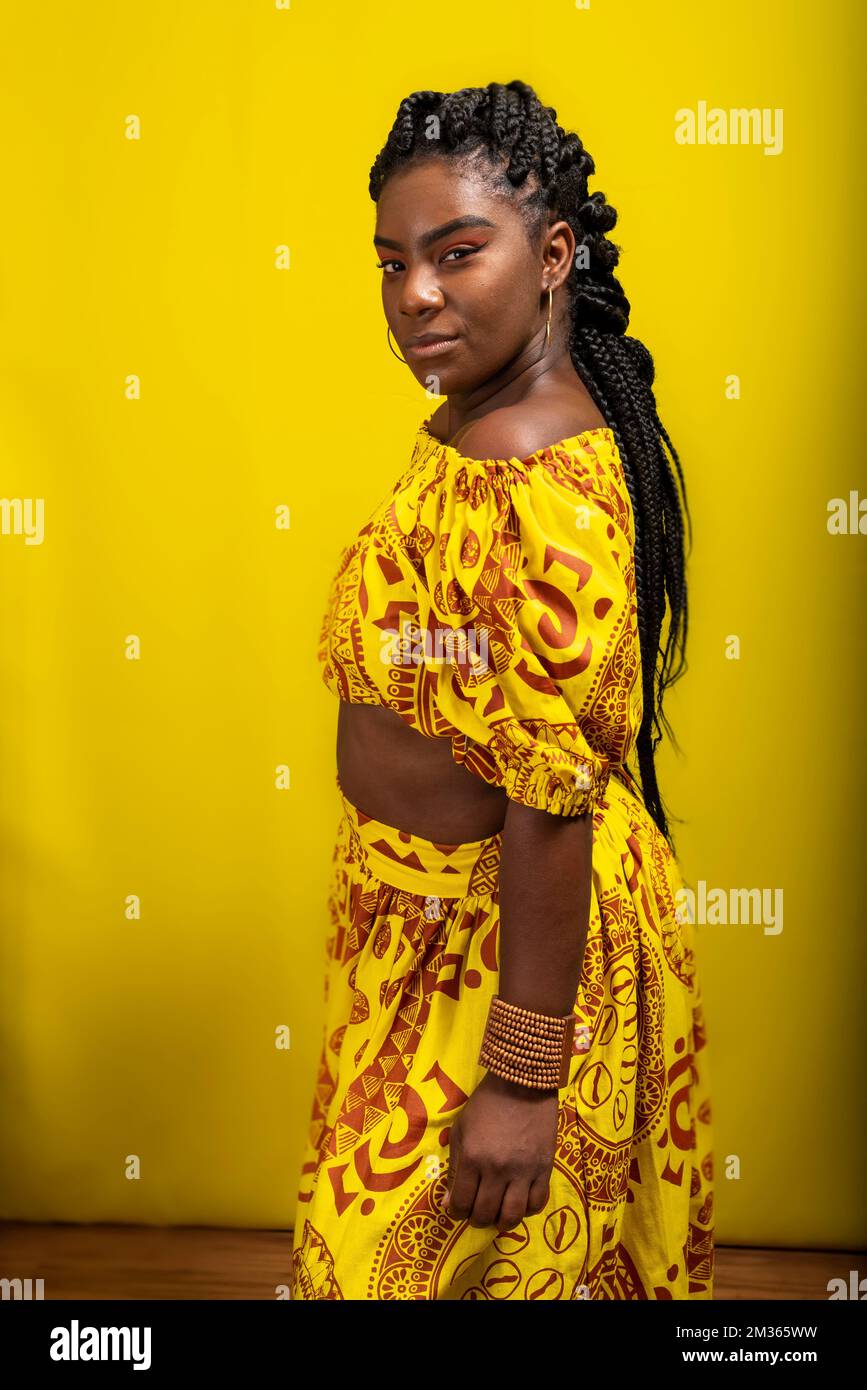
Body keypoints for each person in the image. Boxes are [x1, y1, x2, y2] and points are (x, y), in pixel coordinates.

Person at [290, 79, 714, 1301]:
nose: (413, 294)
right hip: (422, 937)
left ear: (553, 255)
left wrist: (526, 1079)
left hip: (508, 957)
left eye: (457, 252)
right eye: (391, 262)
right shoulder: (479, 420)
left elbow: (551, 799)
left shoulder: (536, 470)